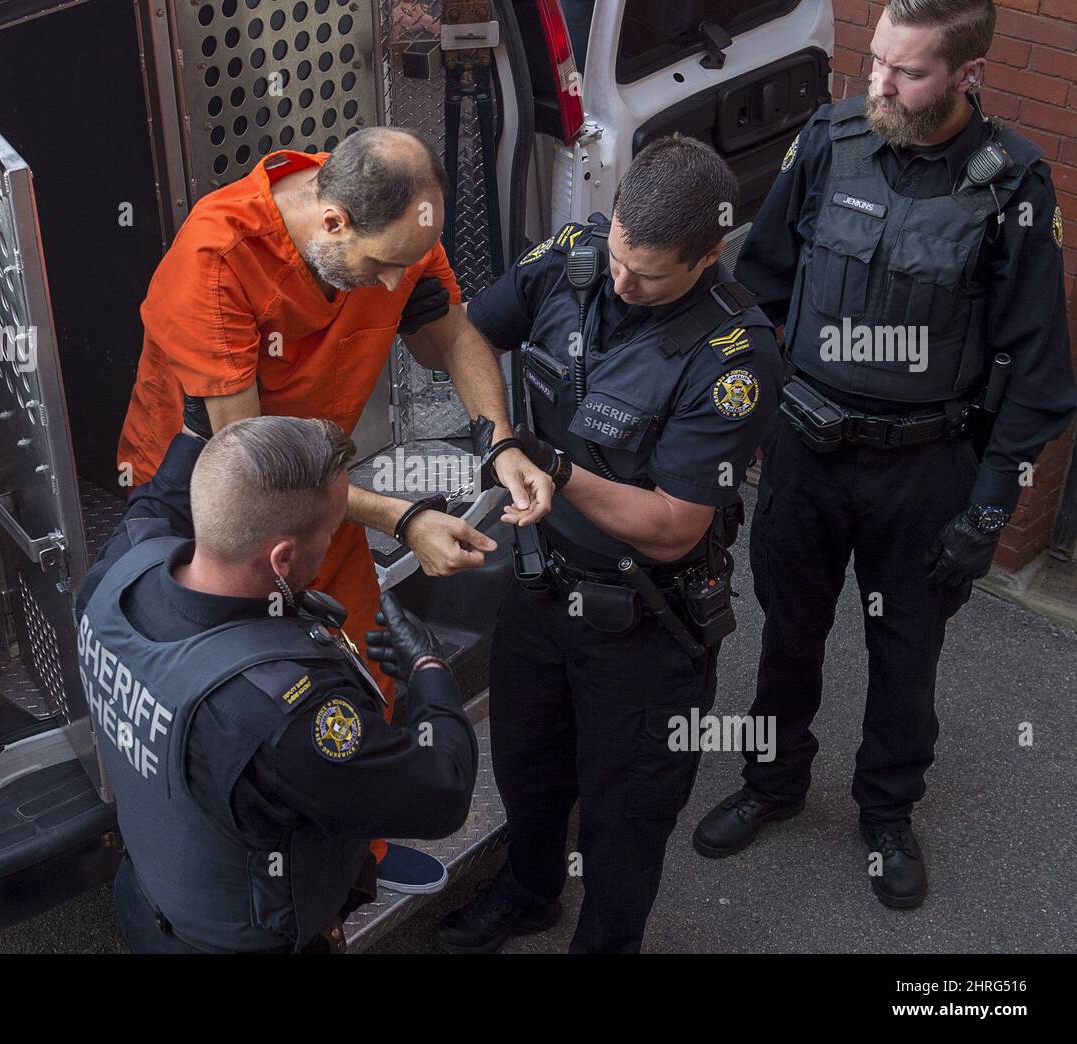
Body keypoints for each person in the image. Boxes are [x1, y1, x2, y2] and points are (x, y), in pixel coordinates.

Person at [692, 0, 1076, 910]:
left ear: (966, 76)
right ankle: (773, 785)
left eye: (906, 72)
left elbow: (1039, 374)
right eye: (875, 62)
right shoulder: (830, 140)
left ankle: (888, 811)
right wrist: (727, 446)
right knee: (788, 632)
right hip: (808, 451)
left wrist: (990, 508)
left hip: (923, 469)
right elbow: (758, 292)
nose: (880, 85)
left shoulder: (1014, 185)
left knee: (907, 653)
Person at [114, 126, 551, 892]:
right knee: (254, 703)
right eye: (381, 268)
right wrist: (403, 518)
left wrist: (499, 444)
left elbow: (450, 336)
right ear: (333, 221)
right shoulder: (217, 262)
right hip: (216, 508)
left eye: (406, 264)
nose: (393, 288)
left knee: (351, 669)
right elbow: (251, 470)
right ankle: (259, 885)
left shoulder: (399, 222)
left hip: (321, 496)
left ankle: (356, 864)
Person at [434, 135, 783, 953]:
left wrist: (551, 464)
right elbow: (463, 335)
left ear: (708, 255)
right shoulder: (573, 259)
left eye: (649, 274)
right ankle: (527, 894)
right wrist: (500, 436)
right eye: (620, 254)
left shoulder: (735, 358)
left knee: (625, 817)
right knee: (527, 767)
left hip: (642, 625)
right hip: (538, 584)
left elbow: (673, 524)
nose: (622, 281)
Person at [76, 418, 478, 953]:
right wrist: (429, 671)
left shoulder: (118, 572)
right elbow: (442, 792)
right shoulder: (285, 715)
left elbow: (158, 502)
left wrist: (202, 428)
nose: (336, 538)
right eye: (334, 529)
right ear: (282, 559)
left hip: (147, 903)